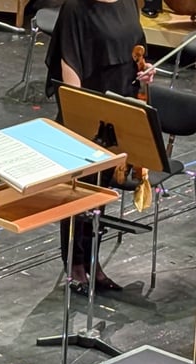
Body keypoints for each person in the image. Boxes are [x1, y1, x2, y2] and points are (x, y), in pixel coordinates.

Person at [45, 0, 154, 294]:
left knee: (100, 195)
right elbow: (69, 67)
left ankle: (93, 263)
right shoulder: (75, 8)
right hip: (91, 115)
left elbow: (136, 53)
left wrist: (146, 71)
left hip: (119, 111)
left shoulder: (128, 2)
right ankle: (74, 265)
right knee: (79, 193)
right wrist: (81, 119)